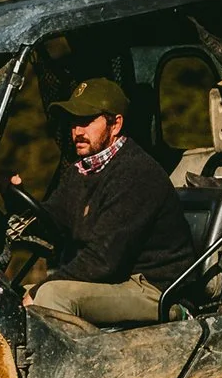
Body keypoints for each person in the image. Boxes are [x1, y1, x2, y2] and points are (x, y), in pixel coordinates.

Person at [17, 77, 196, 327]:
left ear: (115, 125)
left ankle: (82, 366)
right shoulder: (80, 172)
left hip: (153, 287)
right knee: (6, 296)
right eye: (74, 122)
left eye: (87, 121)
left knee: (49, 297)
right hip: (114, 280)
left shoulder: (135, 173)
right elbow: (54, 223)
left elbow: (102, 261)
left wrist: (39, 289)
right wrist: (17, 206)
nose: (77, 131)